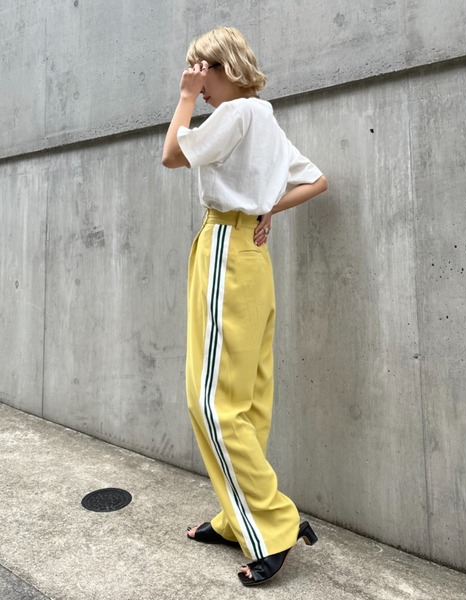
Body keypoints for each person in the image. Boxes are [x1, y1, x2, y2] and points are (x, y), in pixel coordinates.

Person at [162, 26, 327, 586]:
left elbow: (171, 155)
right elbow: (315, 180)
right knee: (247, 398)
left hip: (225, 251)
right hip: (251, 260)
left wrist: (185, 99)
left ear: (224, 66)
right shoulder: (263, 118)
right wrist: (267, 209)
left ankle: (274, 523)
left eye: (200, 68)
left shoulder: (234, 114)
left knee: (211, 400)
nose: (196, 79)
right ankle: (239, 518)